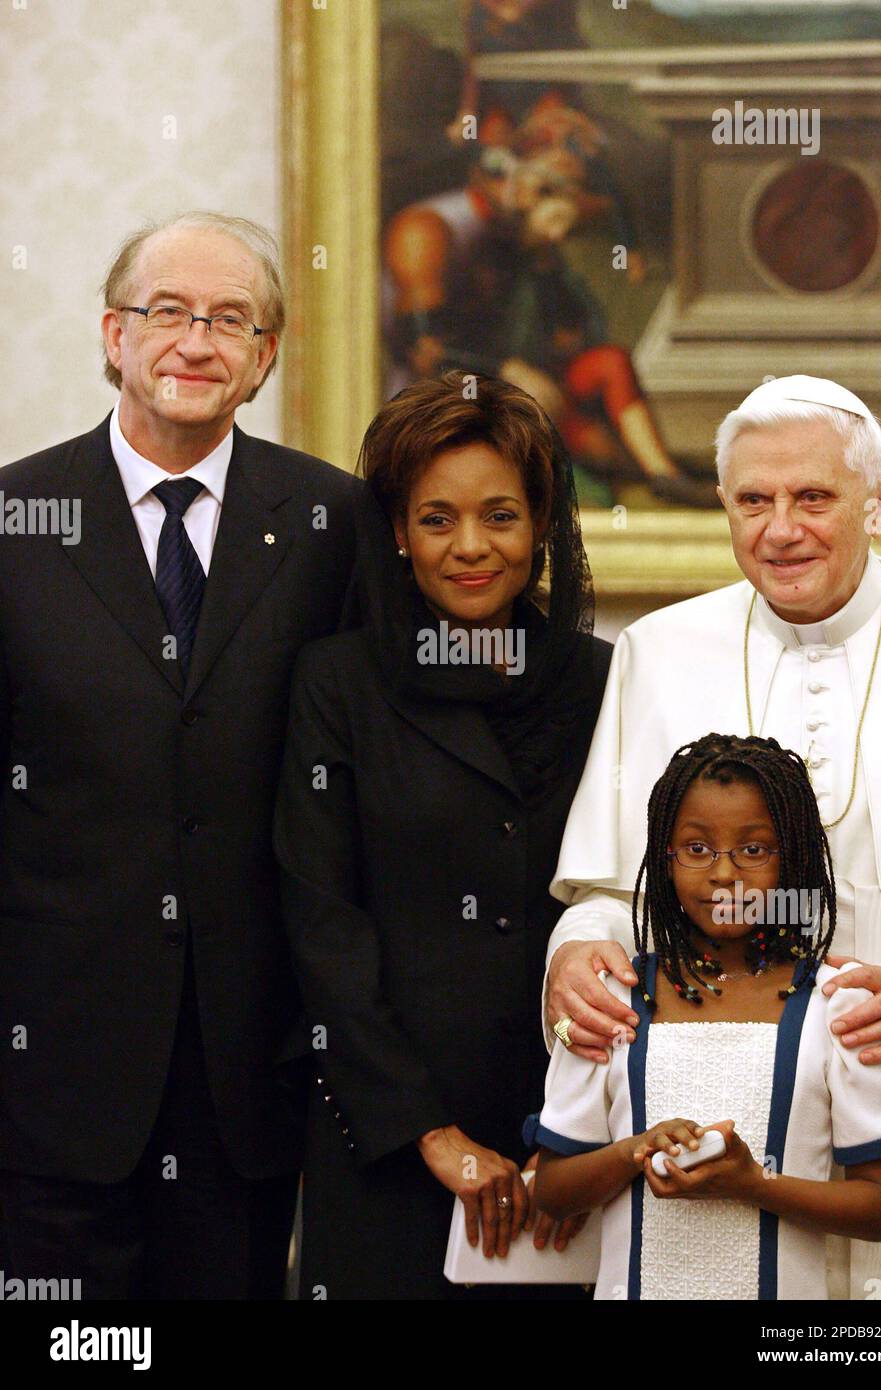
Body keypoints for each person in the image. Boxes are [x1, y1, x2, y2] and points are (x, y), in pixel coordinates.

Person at [0, 211, 358, 1298]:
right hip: (48, 1068)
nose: (195, 341)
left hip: (248, 1069)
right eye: (168, 312)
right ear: (114, 335)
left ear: (265, 357)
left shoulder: (330, 524)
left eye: (229, 319)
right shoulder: (17, 518)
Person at [542, 375, 881, 1298]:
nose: (781, 529)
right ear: (723, 504)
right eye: (753, 501)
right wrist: (577, 958)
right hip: (718, 1121)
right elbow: (602, 889)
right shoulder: (660, 648)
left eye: (813, 498)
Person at [273, 370, 612, 1299]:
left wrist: (576, 1137)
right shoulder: (335, 684)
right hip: (383, 1134)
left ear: (542, 524)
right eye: (436, 519)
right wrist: (429, 1133)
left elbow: (626, 906)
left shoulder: (602, 682)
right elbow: (320, 922)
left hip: (573, 1141)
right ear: (394, 530)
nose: (472, 547)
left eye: (501, 515)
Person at [532, 734, 881, 1301]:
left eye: (755, 850)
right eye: (695, 848)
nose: (723, 874)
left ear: (795, 859)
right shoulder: (613, 1000)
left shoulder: (840, 1005)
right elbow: (553, 1189)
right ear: (663, 860)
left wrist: (752, 1184)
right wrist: (635, 1150)